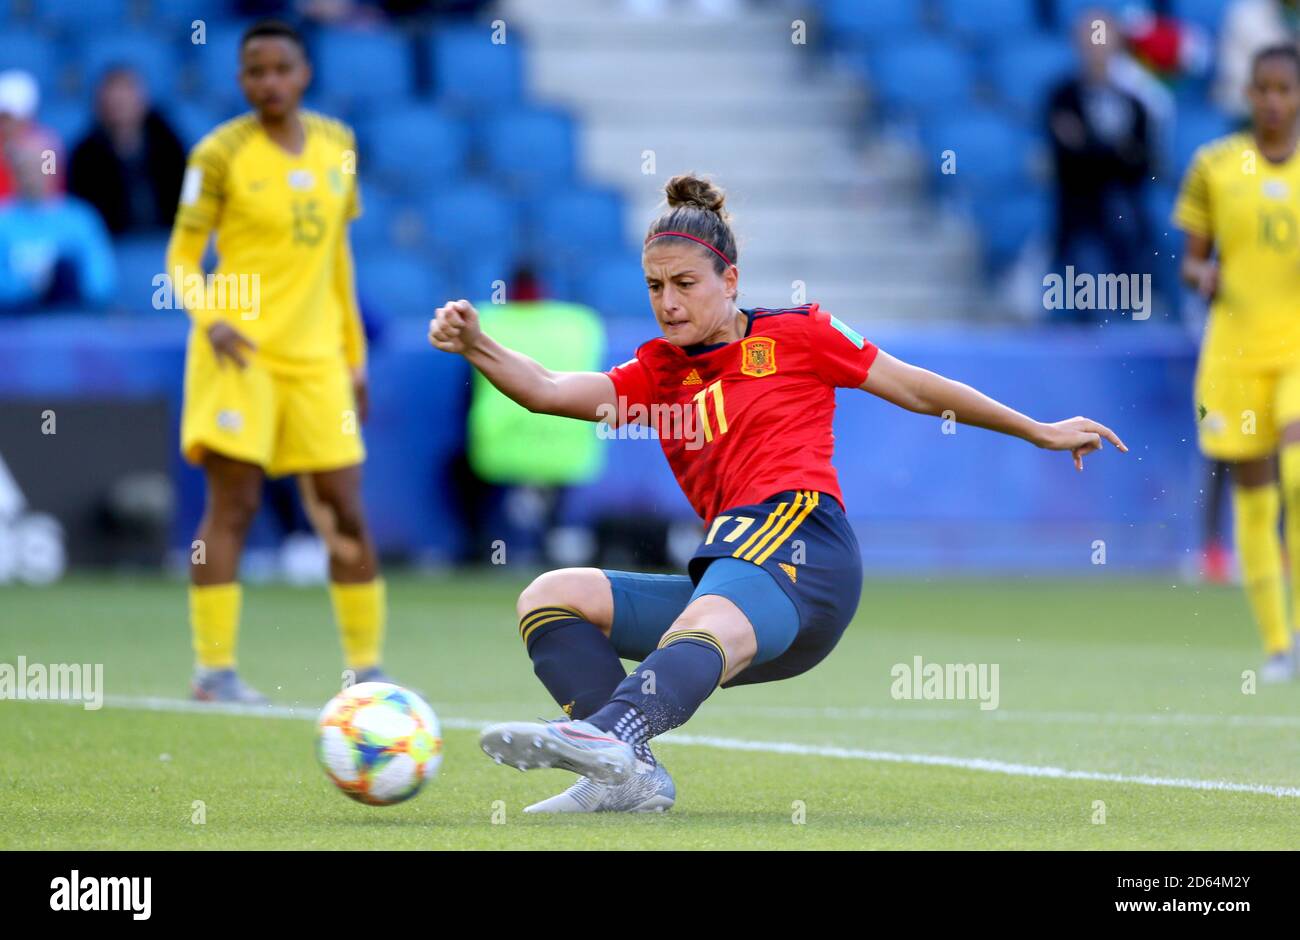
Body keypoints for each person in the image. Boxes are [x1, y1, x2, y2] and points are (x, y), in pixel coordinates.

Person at [427, 173, 1126, 813]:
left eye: (685, 283)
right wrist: (477, 345)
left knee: (723, 572)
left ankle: (608, 735)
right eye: (653, 286)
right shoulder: (656, 374)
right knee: (549, 597)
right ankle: (627, 770)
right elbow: (549, 392)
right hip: (747, 588)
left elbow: (915, 387)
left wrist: (1037, 429)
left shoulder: (801, 334)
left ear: (729, 279)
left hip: (806, 545)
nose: (668, 303)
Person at [167, 20, 388, 703]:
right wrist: (213, 318)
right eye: (254, 71)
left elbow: (338, 261)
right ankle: (215, 671)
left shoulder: (338, 146)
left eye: (280, 69)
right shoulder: (217, 154)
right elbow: (179, 259)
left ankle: (368, 671)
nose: (268, 82)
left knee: (346, 511)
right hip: (241, 356)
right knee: (236, 505)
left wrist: (355, 359)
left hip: (318, 357)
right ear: (240, 81)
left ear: (303, 74)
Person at [1175, 44, 1300, 682]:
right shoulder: (1215, 166)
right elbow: (1191, 260)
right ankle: (1279, 646)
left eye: (1285, 88)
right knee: (1254, 500)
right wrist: (1205, 274)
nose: (1274, 100)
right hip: (1235, 353)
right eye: (1263, 88)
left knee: (1297, 472)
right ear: (1248, 94)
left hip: (1297, 349)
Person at [1046, 11, 1153, 319]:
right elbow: (1068, 161)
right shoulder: (1061, 97)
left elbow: (1142, 164)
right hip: (1081, 218)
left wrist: (1090, 146)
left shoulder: (1134, 103)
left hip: (1127, 217)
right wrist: (1115, 151)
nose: (1097, 48)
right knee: (1091, 292)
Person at [68, 66, 187, 235]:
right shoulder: (85, 157)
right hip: (113, 245)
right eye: (114, 103)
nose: (120, 108)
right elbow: (85, 216)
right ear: (100, 106)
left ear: (142, 100)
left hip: (168, 238)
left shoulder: (168, 144)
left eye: (125, 100)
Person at [0, 141, 115, 309]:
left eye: (40, 168)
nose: (32, 177)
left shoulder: (80, 218)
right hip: (16, 319)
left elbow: (101, 280)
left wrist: (67, 283)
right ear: (14, 174)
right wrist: (34, 287)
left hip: (74, 316)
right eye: (25, 170)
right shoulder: (3, 220)